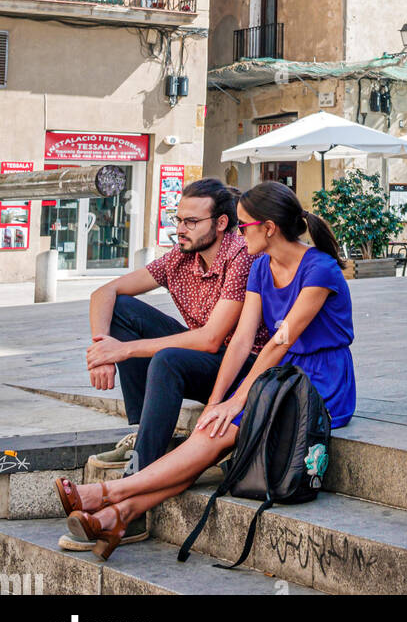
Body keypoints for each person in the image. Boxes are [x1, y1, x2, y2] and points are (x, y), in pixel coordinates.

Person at [56, 182, 356, 561]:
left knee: (218, 433)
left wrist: (236, 402)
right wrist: (217, 401)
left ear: (268, 228)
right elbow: (243, 338)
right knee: (210, 431)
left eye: (243, 226)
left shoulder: (321, 269)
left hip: (317, 382)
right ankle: (120, 516)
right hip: (276, 375)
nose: (238, 233)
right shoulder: (262, 266)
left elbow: (280, 341)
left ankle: (110, 495)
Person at [84, 178, 269, 473]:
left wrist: (124, 351)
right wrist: (101, 349)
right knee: (121, 309)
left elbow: (211, 339)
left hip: (244, 368)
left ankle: (140, 470)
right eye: (179, 219)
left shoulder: (241, 256)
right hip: (209, 359)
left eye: (192, 222)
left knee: (168, 359)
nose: (180, 229)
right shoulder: (181, 257)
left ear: (221, 223)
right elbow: (104, 293)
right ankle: (147, 433)